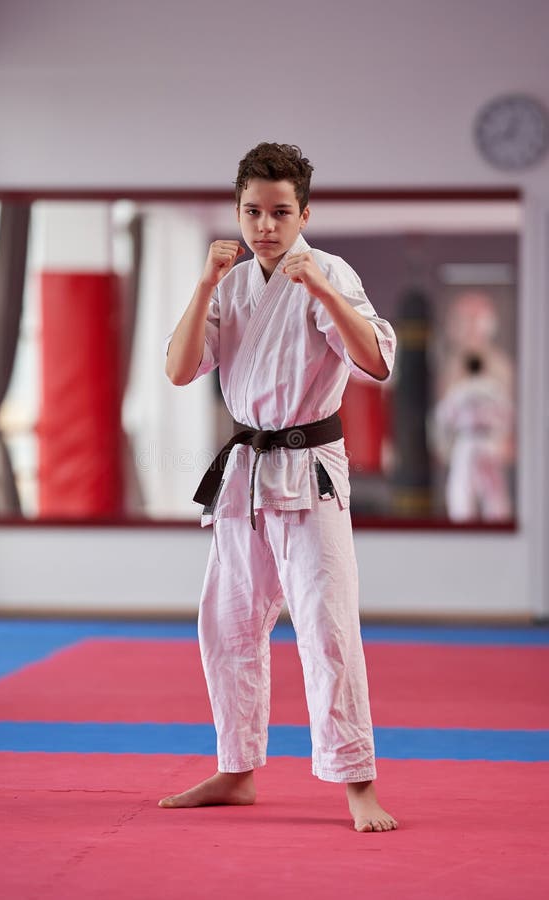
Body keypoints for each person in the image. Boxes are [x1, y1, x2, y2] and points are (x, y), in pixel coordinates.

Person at [159, 142, 398, 833]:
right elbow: (178, 372)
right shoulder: (229, 285)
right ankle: (236, 770)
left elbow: (376, 360)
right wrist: (203, 284)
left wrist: (320, 289)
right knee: (227, 627)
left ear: (304, 213)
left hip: (311, 471)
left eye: (280, 212)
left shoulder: (329, 272)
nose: (265, 225)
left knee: (327, 630)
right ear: (238, 211)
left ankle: (357, 782)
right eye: (253, 211)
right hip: (245, 478)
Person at [434, 353, 514, 521]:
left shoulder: (460, 390)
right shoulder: (494, 389)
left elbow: (444, 417)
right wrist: (502, 437)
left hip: (468, 440)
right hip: (489, 441)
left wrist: (443, 445)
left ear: (466, 368)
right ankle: (498, 524)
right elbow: (507, 415)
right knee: (493, 487)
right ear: (483, 367)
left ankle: (463, 524)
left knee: (463, 485)